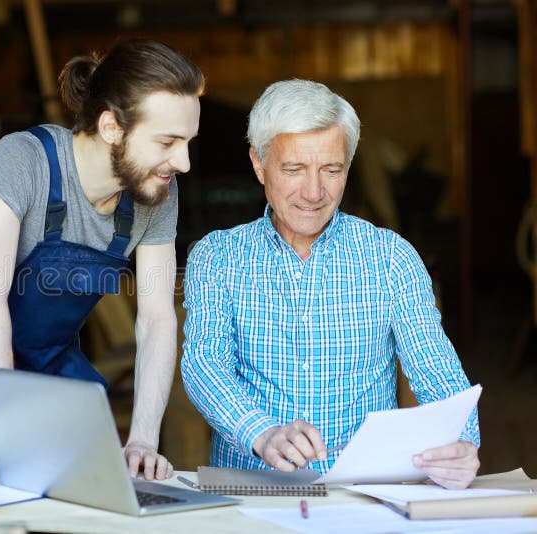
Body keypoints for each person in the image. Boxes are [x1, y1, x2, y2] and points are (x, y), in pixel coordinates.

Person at [0, 39, 204, 481]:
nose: (182, 162)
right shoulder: (23, 161)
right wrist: (9, 429)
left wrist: (143, 438)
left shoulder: (155, 189)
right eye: (167, 141)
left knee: (97, 479)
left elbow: (157, 319)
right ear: (111, 127)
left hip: (49, 355)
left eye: (187, 142)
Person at [181, 79, 480, 490]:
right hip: (251, 489)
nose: (314, 192)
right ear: (258, 163)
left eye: (331, 170)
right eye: (294, 169)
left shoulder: (391, 258)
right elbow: (205, 364)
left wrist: (461, 443)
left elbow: (437, 372)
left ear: (348, 167)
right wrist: (261, 433)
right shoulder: (217, 258)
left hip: (366, 492)